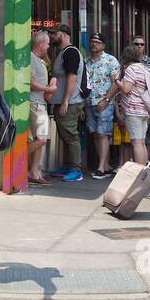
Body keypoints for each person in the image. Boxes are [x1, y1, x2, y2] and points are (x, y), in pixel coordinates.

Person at [50, 24, 87, 182]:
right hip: (65, 101)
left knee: (70, 135)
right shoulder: (64, 52)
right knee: (65, 134)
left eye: (55, 33)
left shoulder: (70, 52)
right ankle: (68, 165)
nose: (52, 37)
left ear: (64, 35)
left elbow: (72, 78)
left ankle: (76, 169)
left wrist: (65, 101)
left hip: (70, 102)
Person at [84, 32, 121, 178]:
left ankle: (101, 167)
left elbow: (116, 83)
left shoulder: (111, 60)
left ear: (103, 45)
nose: (94, 44)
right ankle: (105, 165)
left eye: (97, 42)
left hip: (104, 103)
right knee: (95, 134)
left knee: (103, 133)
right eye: (92, 41)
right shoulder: (86, 61)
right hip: (89, 103)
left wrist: (105, 100)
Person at [116, 43, 150, 167]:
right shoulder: (144, 69)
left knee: (136, 143)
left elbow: (126, 89)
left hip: (133, 110)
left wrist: (116, 81)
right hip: (144, 110)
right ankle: (143, 170)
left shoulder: (131, 69)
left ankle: (139, 171)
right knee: (142, 142)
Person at [27, 30, 57, 185]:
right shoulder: (32, 59)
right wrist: (48, 89)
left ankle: (34, 172)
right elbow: (30, 84)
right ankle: (18, 158)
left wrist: (48, 88)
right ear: (40, 44)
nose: (48, 46)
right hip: (35, 103)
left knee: (39, 138)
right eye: (47, 43)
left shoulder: (40, 60)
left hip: (40, 103)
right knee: (42, 139)